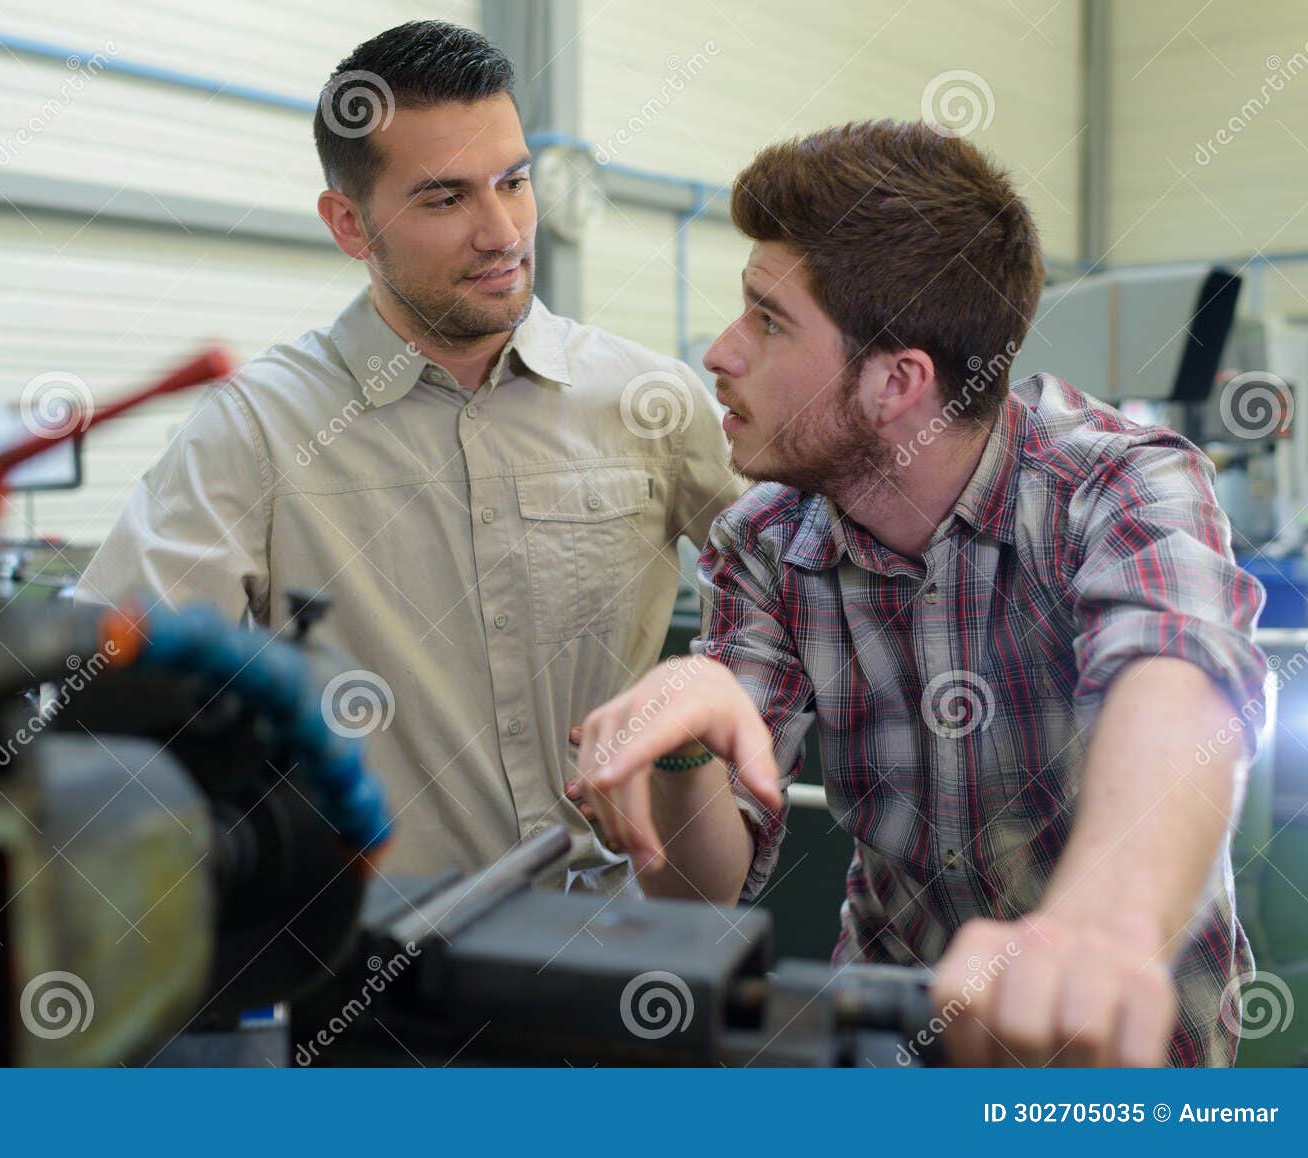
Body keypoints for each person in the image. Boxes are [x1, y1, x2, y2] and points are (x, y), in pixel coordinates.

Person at [568, 120, 1267, 1065]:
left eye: (768, 321)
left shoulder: (1116, 486)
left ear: (898, 380)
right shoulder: (768, 541)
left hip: (1133, 1050)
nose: (721, 353)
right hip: (898, 1042)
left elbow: (1181, 683)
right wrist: (688, 755)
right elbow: (702, 898)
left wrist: (1104, 929)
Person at [77, 21, 742, 891]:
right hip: (377, 980)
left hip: (614, 955)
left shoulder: (649, 402)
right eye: (445, 199)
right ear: (350, 224)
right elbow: (110, 691)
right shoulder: (255, 432)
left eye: (514, 182)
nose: (502, 232)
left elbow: (798, 587)